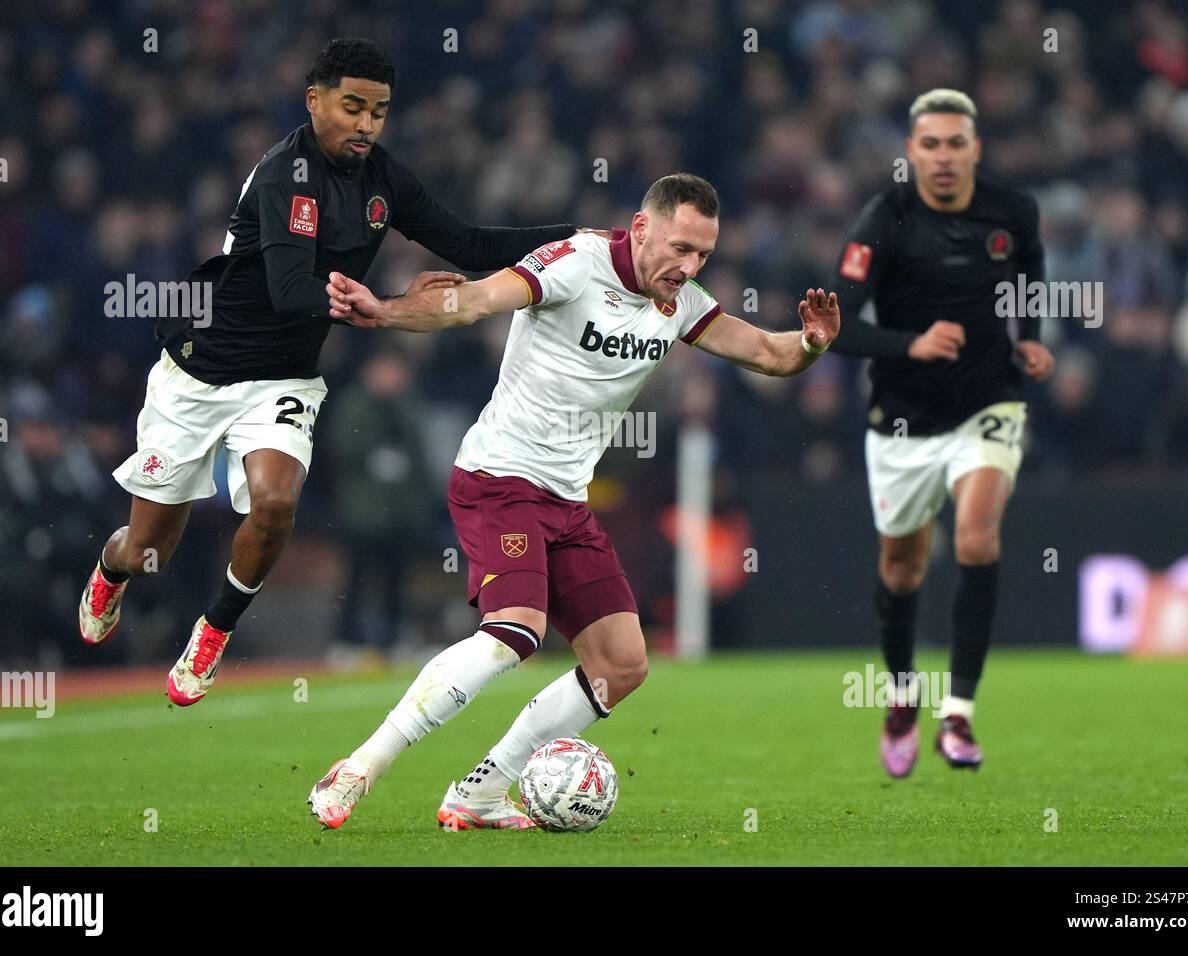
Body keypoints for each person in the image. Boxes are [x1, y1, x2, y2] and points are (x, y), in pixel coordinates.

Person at [306, 172, 842, 830]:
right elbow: (475, 300)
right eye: (679, 248)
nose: (689, 266)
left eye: (703, 254)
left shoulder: (683, 304)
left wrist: (812, 343)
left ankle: (478, 793)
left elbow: (766, 351)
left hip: (564, 498)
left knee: (622, 664)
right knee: (514, 632)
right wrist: (387, 311)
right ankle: (361, 767)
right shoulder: (574, 263)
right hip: (498, 478)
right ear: (640, 228)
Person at [78, 37, 582, 706]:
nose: (367, 125)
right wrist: (386, 307)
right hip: (199, 374)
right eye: (353, 108)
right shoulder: (286, 174)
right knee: (149, 546)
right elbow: (290, 290)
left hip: (283, 378)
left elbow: (465, 242)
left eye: (379, 111)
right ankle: (110, 572)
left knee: (277, 501)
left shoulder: (382, 179)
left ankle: (215, 627)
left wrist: (577, 239)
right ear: (314, 101)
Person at [828, 89, 1055, 776]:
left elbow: (1033, 273)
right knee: (903, 567)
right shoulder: (885, 219)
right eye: (931, 144)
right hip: (902, 420)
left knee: (977, 536)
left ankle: (958, 716)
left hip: (988, 403)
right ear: (912, 152)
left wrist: (1033, 339)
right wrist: (910, 344)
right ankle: (902, 697)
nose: (944, 157)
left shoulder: (1013, 212)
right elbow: (836, 323)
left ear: (976, 149)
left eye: (957, 143)